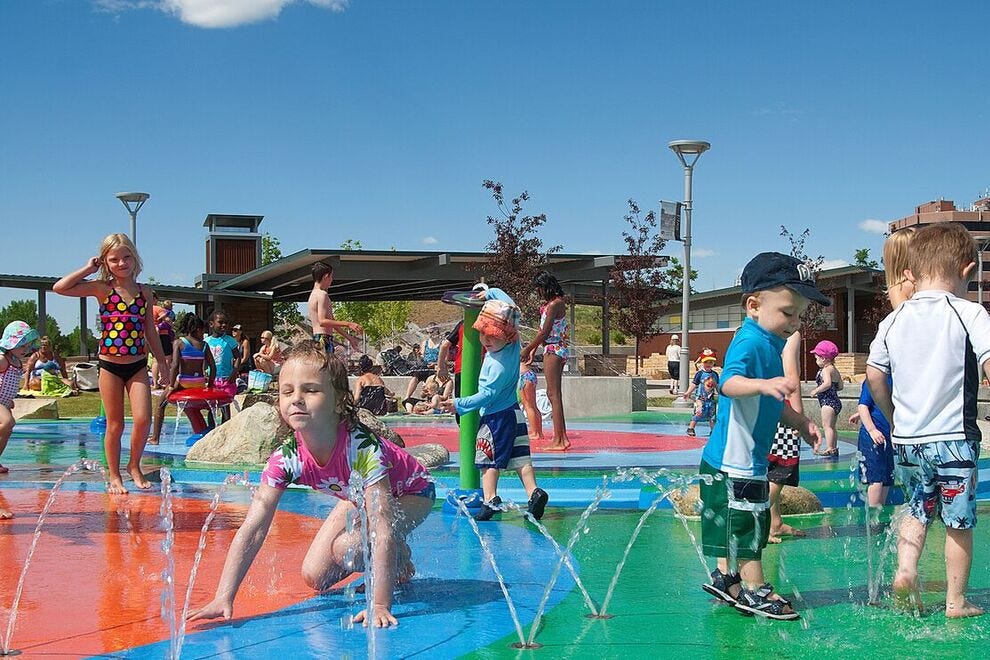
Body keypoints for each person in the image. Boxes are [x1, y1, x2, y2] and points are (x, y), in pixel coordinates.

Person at [187, 342, 433, 628]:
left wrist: (379, 603)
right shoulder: (287, 457)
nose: (297, 399)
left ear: (339, 401)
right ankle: (394, 561)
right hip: (355, 495)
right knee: (315, 576)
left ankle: (399, 559)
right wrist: (223, 596)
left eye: (311, 390)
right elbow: (254, 528)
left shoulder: (362, 448)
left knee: (347, 549)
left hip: (413, 493)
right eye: (287, 391)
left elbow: (380, 524)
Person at [866, 222, 988, 618]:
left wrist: (893, 417)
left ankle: (905, 569)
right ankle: (955, 601)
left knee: (917, 508)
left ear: (910, 274)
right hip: (954, 437)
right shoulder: (969, 311)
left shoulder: (894, 320)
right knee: (958, 522)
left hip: (908, 440)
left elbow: (873, 375)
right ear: (968, 271)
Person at [699, 252, 824, 621]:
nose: (795, 322)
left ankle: (726, 577)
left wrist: (799, 421)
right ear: (754, 305)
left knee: (729, 520)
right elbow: (728, 383)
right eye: (788, 312)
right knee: (752, 521)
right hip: (737, 460)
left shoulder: (768, 342)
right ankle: (754, 590)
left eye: (799, 314)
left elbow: (773, 401)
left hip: (734, 456)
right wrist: (761, 383)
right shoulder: (751, 342)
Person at [54, 233, 168, 493]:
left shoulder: (145, 293)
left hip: (137, 364)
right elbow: (60, 287)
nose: (121, 263)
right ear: (105, 261)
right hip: (110, 366)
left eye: (126, 257)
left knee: (142, 419)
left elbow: (150, 329)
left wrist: (161, 361)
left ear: (134, 258)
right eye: (114, 259)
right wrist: (88, 268)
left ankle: (134, 466)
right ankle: (114, 475)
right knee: (115, 424)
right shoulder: (102, 288)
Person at [441, 289, 549, 521]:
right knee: (521, 459)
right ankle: (534, 492)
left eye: (493, 336)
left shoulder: (497, 367)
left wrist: (459, 404)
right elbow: (511, 308)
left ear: (506, 336)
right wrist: (489, 292)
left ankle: (490, 500)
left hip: (495, 417)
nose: (486, 340)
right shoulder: (512, 343)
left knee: (487, 460)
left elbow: (486, 395)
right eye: (483, 334)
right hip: (514, 413)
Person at [766, 331, 809, 544]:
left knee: (771, 470)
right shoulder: (791, 334)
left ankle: (775, 522)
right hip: (785, 412)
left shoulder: (760, 332)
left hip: (765, 409)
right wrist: (799, 418)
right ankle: (762, 523)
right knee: (782, 470)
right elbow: (791, 379)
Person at [522, 271, 571, 451]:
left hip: (554, 349)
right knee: (554, 394)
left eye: (540, 289)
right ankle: (561, 437)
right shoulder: (554, 304)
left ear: (546, 286)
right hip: (554, 347)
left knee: (553, 395)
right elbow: (543, 333)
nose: (539, 292)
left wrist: (527, 348)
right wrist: (534, 349)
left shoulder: (555, 304)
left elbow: (544, 332)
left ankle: (560, 439)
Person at [150, 314, 216, 445]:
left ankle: (155, 438)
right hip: (199, 383)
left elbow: (174, 365)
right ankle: (211, 432)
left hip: (184, 382)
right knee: (210, 407)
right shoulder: (204, 345)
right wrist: (210, 386)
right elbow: (213, 367)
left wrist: (171, 386)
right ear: (197, 329)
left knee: (161, 404)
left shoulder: (179, 343)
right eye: (203, 330)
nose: (203, 334)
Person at [0, 322, 42, 493]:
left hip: (4, 402)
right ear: (10, 343)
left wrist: (8, 399)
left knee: (7, 429)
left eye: (27, 344)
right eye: (21, 345)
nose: (25, 348)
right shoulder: (2, 359)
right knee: (8, 422)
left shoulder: (15, 360)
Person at [308, 261, 362, 354]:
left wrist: (349, 338)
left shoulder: (314, 294)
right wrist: (348, 324)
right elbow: (322, 321)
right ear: (326, 276)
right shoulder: (322, 295)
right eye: (331, 276)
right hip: (323, 339)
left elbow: (332, 322)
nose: (332, 280)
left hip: (319, 338)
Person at [808, 339, 842, 458]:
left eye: (816, 358)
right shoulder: (834, 369)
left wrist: (816, 390)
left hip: (828, 403)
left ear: (823, 358)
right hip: (835, 402)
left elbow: (827, 384)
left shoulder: (826, 369)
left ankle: (829, 448)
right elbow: (840, 386)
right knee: (832, 427)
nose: (816, 360)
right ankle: (834, 448)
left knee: (827, 427)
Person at [205, 311, 240, 424]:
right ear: (211, 324)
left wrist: (234, 372)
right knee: (212, 407)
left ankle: (225, 429)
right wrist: (203, 373)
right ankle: (210, 431)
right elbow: (202, 360)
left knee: (225, 406)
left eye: (226, 323)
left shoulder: (230, 340)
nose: (224, 325)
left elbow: (238, 357)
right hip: (212, 380)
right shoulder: (206, 342)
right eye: (220, 322)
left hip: (227, 379)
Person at [683, 349, 719, 437]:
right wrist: (688, 392)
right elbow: (694, 384)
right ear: (702, 362)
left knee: (712, 415)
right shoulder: (700, 374)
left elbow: (717, 386)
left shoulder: (715, 374)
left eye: (711, 362)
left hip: (710, 399)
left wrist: (721, 393)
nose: (708, 364)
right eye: (706, 362)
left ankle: (713, 430)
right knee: (698, 413)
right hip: (700, 399)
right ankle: (691, 428)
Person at [518, 359, 543, 444]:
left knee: (528, 406)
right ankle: (539, 432)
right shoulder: (526, 351)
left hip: (524, 376)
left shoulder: (515, 350)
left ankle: (534, 432)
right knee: (533, 406)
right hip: (530, 375)